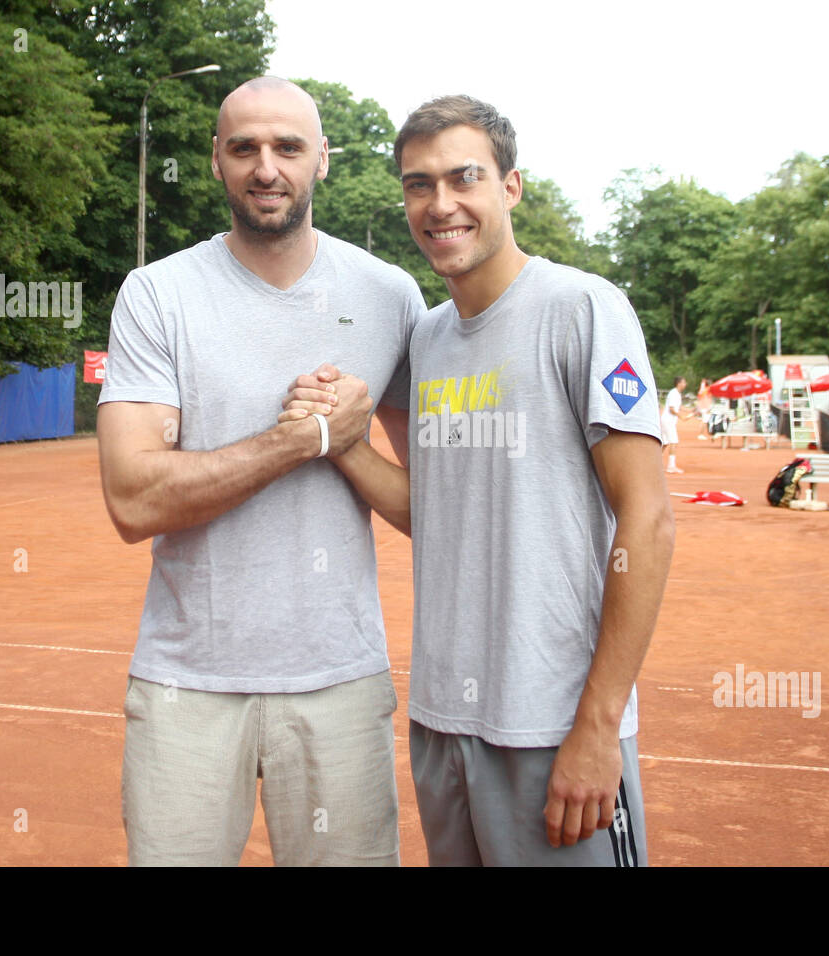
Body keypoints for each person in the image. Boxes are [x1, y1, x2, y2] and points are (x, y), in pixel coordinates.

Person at [280, 95, 675, 866]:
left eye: (464, 178)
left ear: (511, 187)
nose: (440, 203)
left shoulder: (581, 308)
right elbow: (436, 512)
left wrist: (598, 724)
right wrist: (339, 443)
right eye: (418, 184)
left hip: (553, 726)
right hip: (443, 723)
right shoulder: (428, 338)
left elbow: (649, 519)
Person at [95, 77, 425, 866]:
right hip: (187, 684)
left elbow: (427, 504)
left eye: (287, 147)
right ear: (216, 161)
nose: (265, 167)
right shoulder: (158, 294)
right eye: (244, 147)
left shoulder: (391, 297)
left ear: (324, 161)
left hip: (339, 681)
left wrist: (347, 445)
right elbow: (133, 500)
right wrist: (304, 437)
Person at [662, 376, 688, 473]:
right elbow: (672, 409)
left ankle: (652, 463)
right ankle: (671, 466)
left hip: (666, 420)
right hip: (668, 421)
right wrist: (681, 417)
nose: (685, 384)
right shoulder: (674, 393)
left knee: (664, 443)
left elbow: (679, 407)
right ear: (679, 383)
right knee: (673, 441)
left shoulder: (676, 393)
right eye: (684, 382)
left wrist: (691, 410)